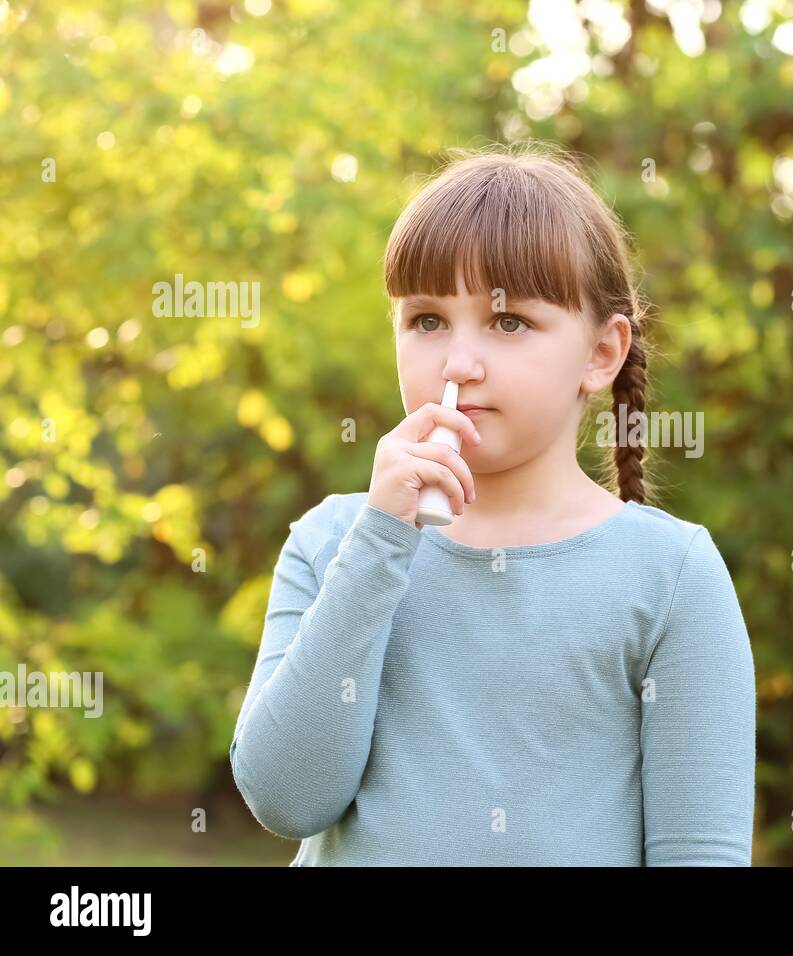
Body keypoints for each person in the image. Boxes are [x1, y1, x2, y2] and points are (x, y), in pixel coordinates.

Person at [229, 143, 755, 865]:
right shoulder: (333, 542)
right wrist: (381, 540)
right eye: (426, 320)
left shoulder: (669, 575)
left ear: (603, 353)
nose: (458, 363)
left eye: (508, 323)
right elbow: (288, 799)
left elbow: (699, 853)